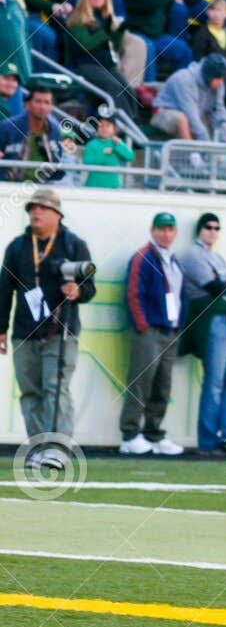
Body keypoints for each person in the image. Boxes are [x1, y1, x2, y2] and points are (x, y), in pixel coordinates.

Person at [0, 187, 95, 468]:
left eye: (41, 208)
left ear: (57, 214)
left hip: (60, 330)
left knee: (55, 388)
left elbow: (90, 287)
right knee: (30, 391)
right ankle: (38, 448)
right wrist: (0, 328)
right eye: (31, 208)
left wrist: (78, 291)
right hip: (25, 332)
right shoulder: (17, 246)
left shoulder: (73, 244)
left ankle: (58, 449)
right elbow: (5, 289)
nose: (35, 212)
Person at [180, 213, 226, 456]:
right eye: (208, 227)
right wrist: (224, 285)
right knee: (215, 380)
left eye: (216, 228)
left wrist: (224, 285)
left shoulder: (216, 257)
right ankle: (208, 441)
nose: (213, 231)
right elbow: (216, 287)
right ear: (200, 230)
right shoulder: (193, 255)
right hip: (211, 318)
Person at [121, 211, 188, 456]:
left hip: (170, 330)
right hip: (150, 330)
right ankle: (129, 434)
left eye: (170, 229)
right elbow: (133, 293)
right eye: (161, 229)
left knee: (162, 385)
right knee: (140, 382)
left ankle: (153, 432)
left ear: (175, 232)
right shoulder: (143, 257)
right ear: (153, 230)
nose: (166, 233)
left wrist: (179, 325)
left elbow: (181, 295)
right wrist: (143, 325)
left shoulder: (174, 259)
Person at [79, 104, 133, 188]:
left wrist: (119, 145)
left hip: (113, 186)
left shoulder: (116, 143)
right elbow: (87, 162)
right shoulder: (92, 144)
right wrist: (103, 153)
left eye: (108, 126)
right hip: (93, 186)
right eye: (101, 126)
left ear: (114, 129)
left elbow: (130, 157)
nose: (104, 128)